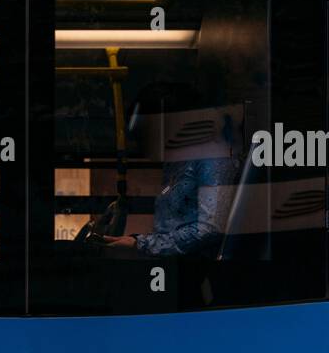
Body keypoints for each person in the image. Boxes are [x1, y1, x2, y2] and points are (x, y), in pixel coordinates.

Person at [97, 82, 240, 258]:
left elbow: (211, 228)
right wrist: (140, 243)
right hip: (174, 266)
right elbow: (171, 223)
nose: (145, 142)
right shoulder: (176, 161)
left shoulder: (212, 157)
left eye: (149, 131)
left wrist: (142, 244)